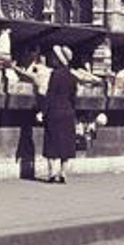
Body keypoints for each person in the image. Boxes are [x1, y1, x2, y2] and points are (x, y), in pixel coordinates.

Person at [39, 45, 78, 183]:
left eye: (54, 58)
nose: (52, 59)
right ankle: (63, 173)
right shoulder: (72, 76)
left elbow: (50, 95)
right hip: (68, 113)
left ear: (59, 60)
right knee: (66, 144)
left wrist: (43, 111)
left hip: (54, 112)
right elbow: (74, 97)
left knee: (51, 142)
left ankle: (52, 173)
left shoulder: (55, 75)